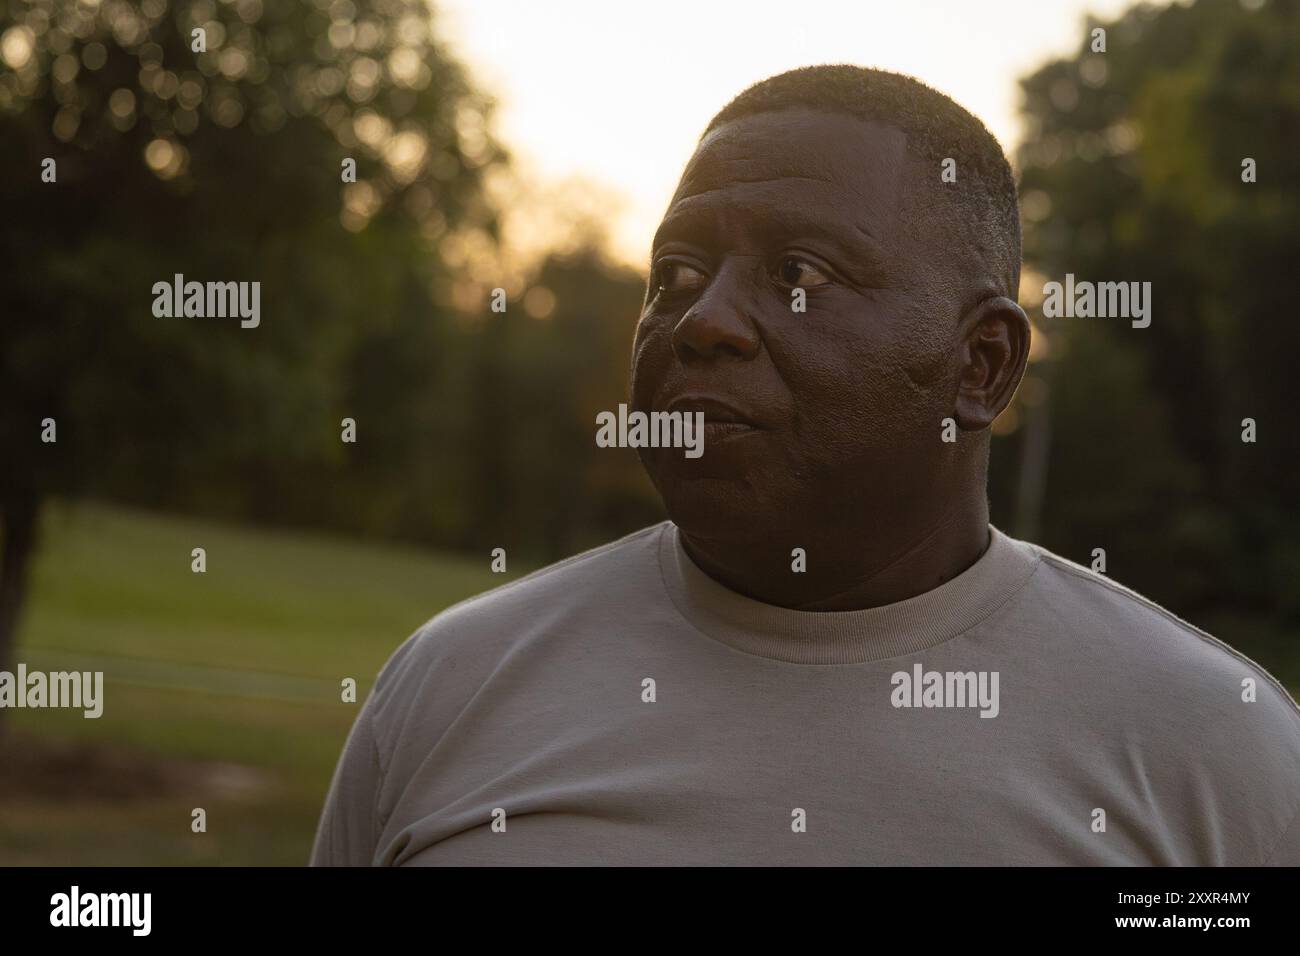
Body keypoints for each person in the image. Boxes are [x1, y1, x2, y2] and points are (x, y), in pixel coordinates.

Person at [311, 65, 1300, 866]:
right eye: (675, 276)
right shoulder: (451, 683)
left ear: (980, 365)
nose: (701, 321)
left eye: (797, 276)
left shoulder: (1211, 746)